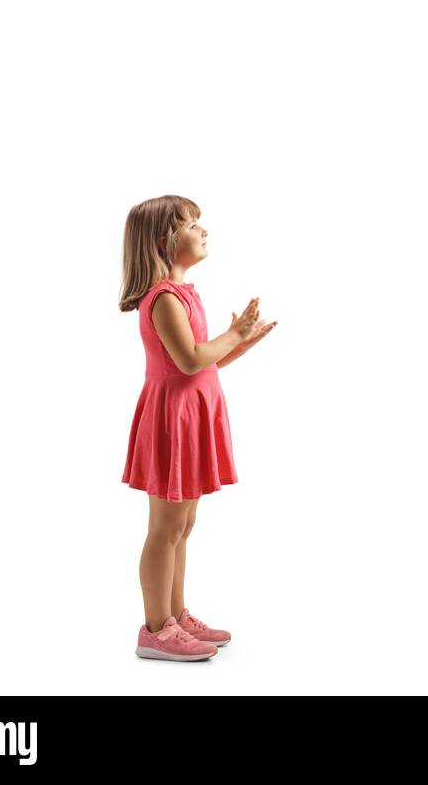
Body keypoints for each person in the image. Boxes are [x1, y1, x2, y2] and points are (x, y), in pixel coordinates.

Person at [118, 195, 276, 660]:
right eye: (192, 225)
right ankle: (154, 630)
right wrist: (232, 336)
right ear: (164, 240)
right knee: (165, 527)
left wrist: (239, 346)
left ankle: (175, 614)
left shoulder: (185, 294)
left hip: (193, 414)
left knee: (183, 525)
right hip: (172, 419)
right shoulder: (163, 299)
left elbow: (202, 360)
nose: (203, 231)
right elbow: (188, 360)